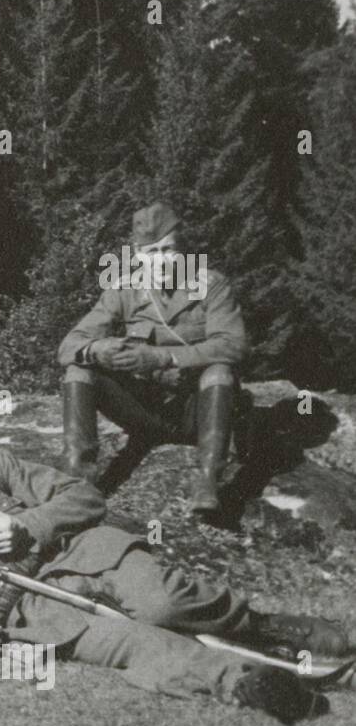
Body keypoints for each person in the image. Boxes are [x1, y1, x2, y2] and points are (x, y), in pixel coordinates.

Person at [0, 405, 348, 723]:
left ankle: (266, 626)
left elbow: (85, 496)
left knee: (164, 602)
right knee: (133, 642)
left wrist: (27, 526)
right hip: (38, 610)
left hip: (90, 554)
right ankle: (248, 683)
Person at [57, 201, 248, 514]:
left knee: (219, 371)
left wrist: (164, 357)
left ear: (182, 250)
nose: (160, 261)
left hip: (196, 412)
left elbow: (233, 345)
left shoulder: (211, 285)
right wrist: (98, 350)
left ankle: (208, 479)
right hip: (145, 412)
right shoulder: (124, 289)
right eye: (151, 252)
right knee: (79, 369)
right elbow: (68, 346)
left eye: (167, 250)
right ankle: (76, 482)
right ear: (137, 255)